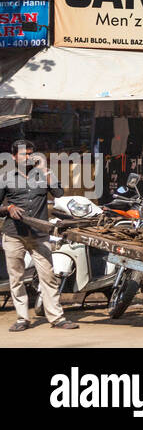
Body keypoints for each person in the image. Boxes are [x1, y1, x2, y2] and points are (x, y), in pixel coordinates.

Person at [0, 140, 76, 330]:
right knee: (16, 277)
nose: (28, 157)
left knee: (48, 276)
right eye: (24, 154)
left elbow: (58, 193)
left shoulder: (43, 175)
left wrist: (45, 169)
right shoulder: (5, 178)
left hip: (39, 235)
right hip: (13, 234)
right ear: (14, 157)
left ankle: (57, 318)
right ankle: (22, 319)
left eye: (31, 153)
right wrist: (7, 208)